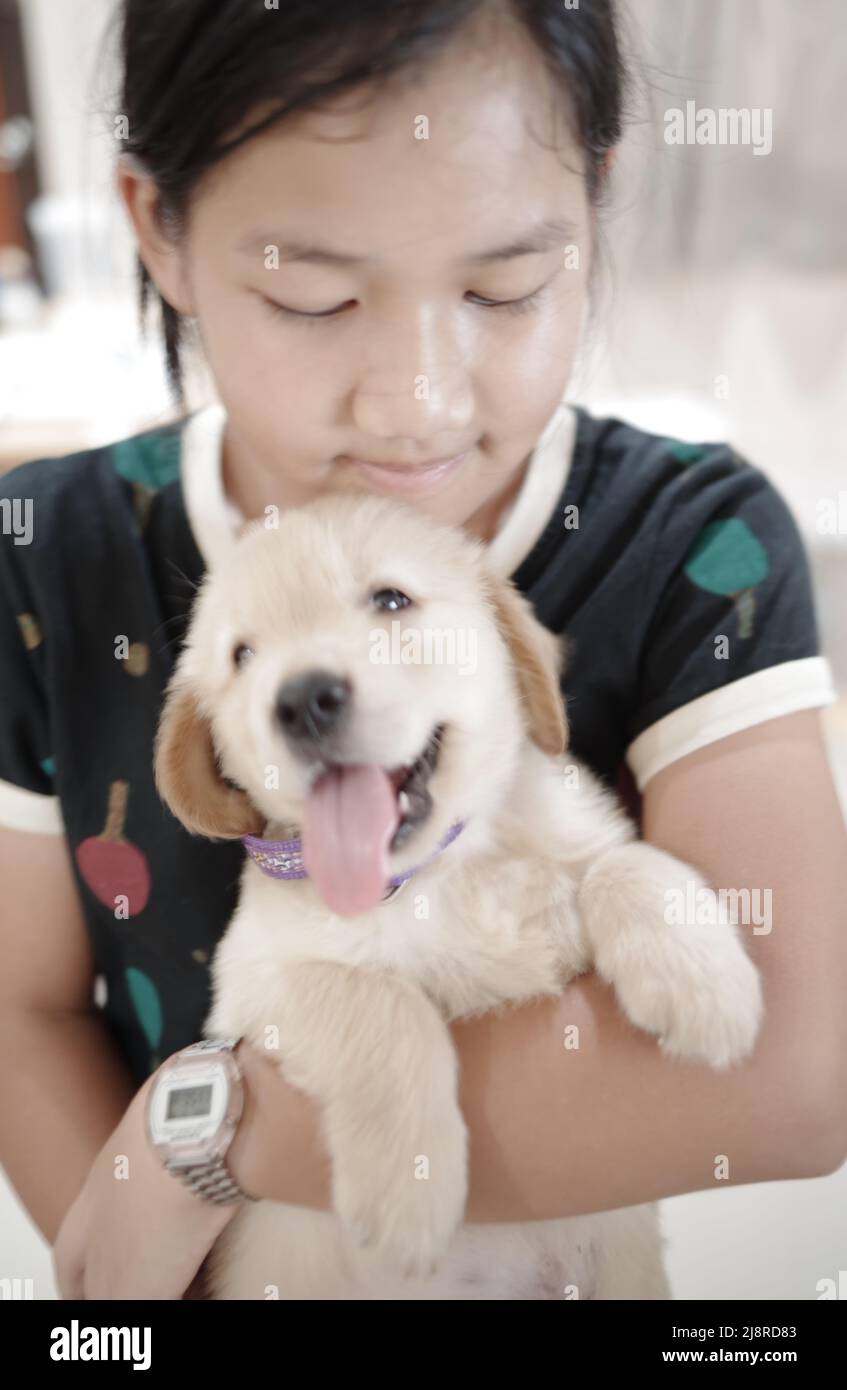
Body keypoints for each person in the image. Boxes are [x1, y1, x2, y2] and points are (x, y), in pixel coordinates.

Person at [1, 0, 845, 1302]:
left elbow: (795, 1079)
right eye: (314, 296)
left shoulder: (692, 539)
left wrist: (199, 1145)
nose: (419, 402)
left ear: (597, 197)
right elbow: (20, 1011)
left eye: (505, 287)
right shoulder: (45, 557)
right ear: (159, 227)